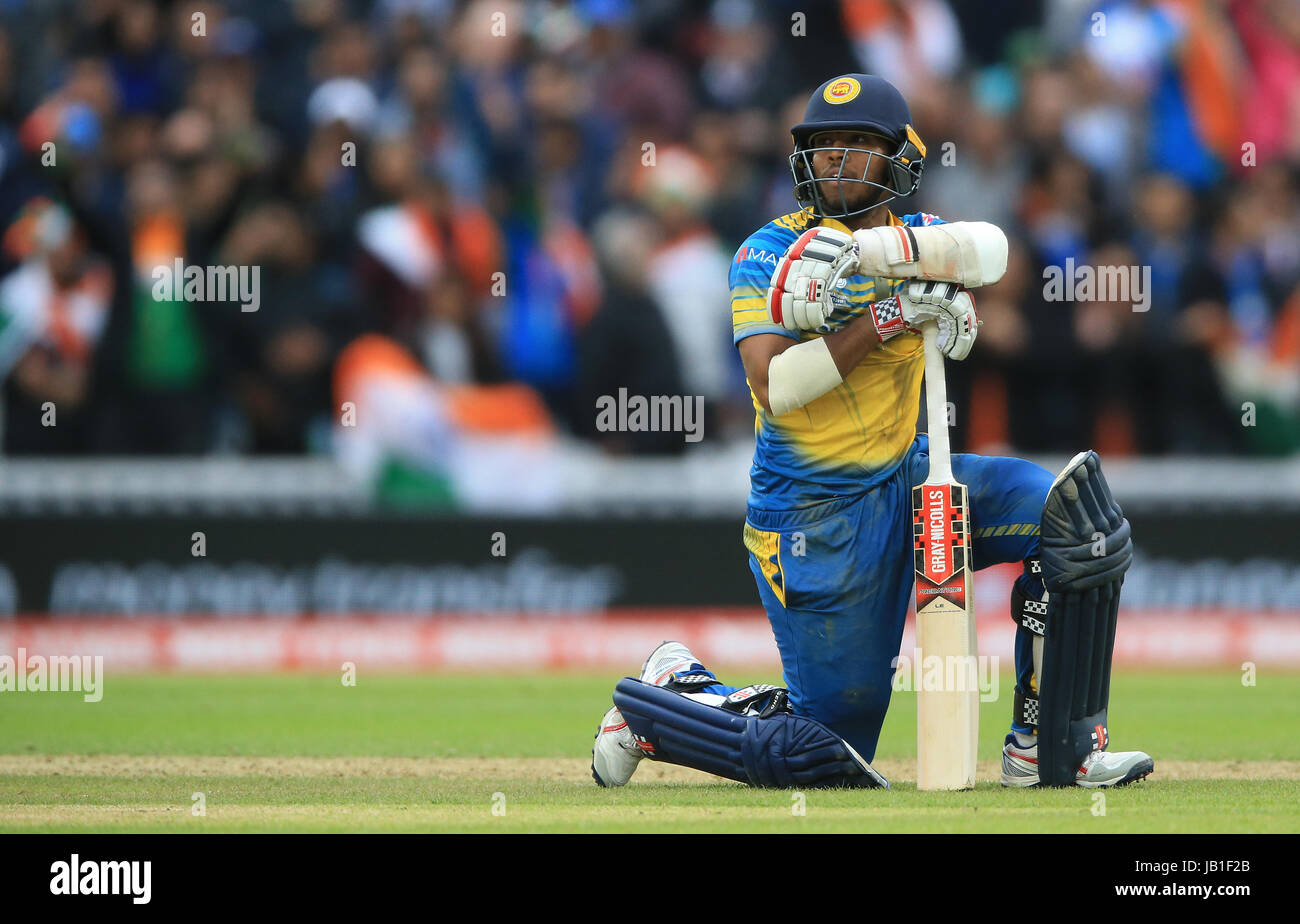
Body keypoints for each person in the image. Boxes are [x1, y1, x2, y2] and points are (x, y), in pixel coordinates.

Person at [592, 74, 1153, 790]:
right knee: (822, 752)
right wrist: (887, 316)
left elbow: (991, 251)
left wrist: (952, 314)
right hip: (815, 520)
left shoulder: (918, 238)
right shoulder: (765, 254)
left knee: (1077, 522)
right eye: (823, 146)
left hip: (910, 474)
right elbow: (775, 386)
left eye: (858, 145)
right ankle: (665, 702)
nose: (836, 160)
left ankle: (1050, 746)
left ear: (900, 160)